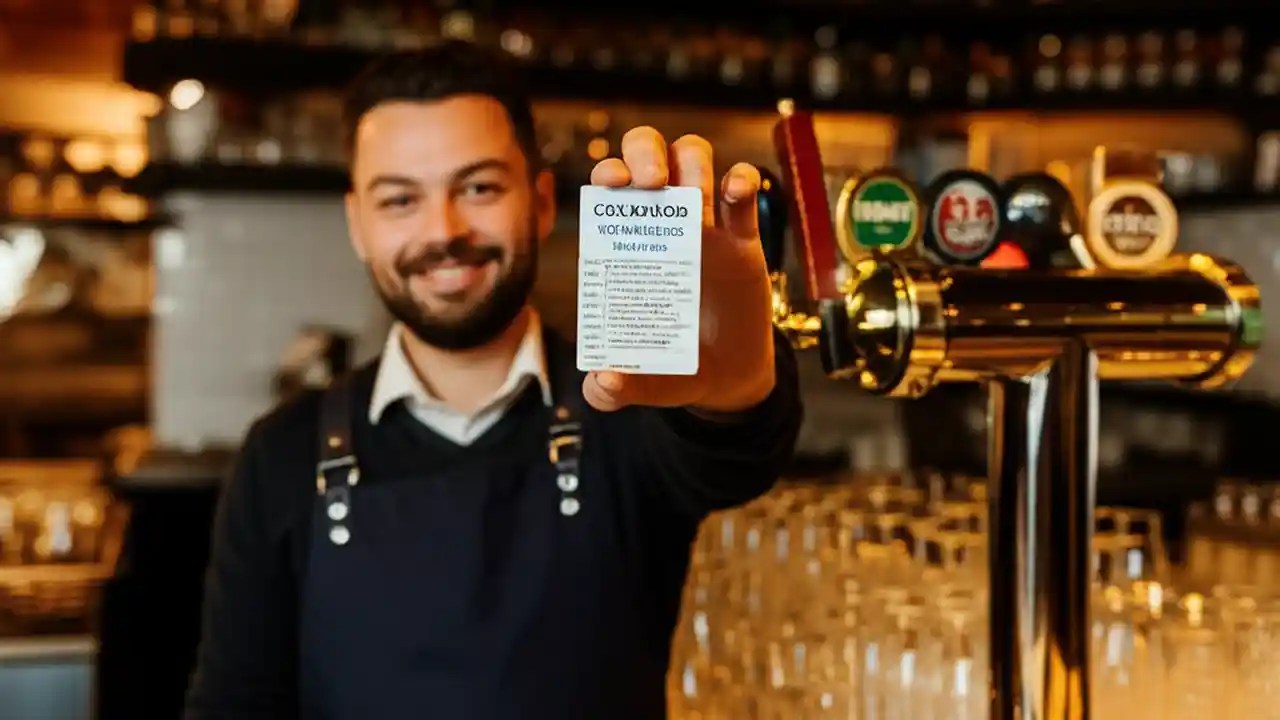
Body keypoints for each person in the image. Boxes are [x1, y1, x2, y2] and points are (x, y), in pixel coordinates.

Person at [184, 39, 803, 720]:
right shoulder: (281, 454)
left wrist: (736, 392)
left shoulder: (628, 401)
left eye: (478, 188)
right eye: (399, 200)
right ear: (357, 223)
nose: (444, 231)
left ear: (540, 202)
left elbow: (730, 455)